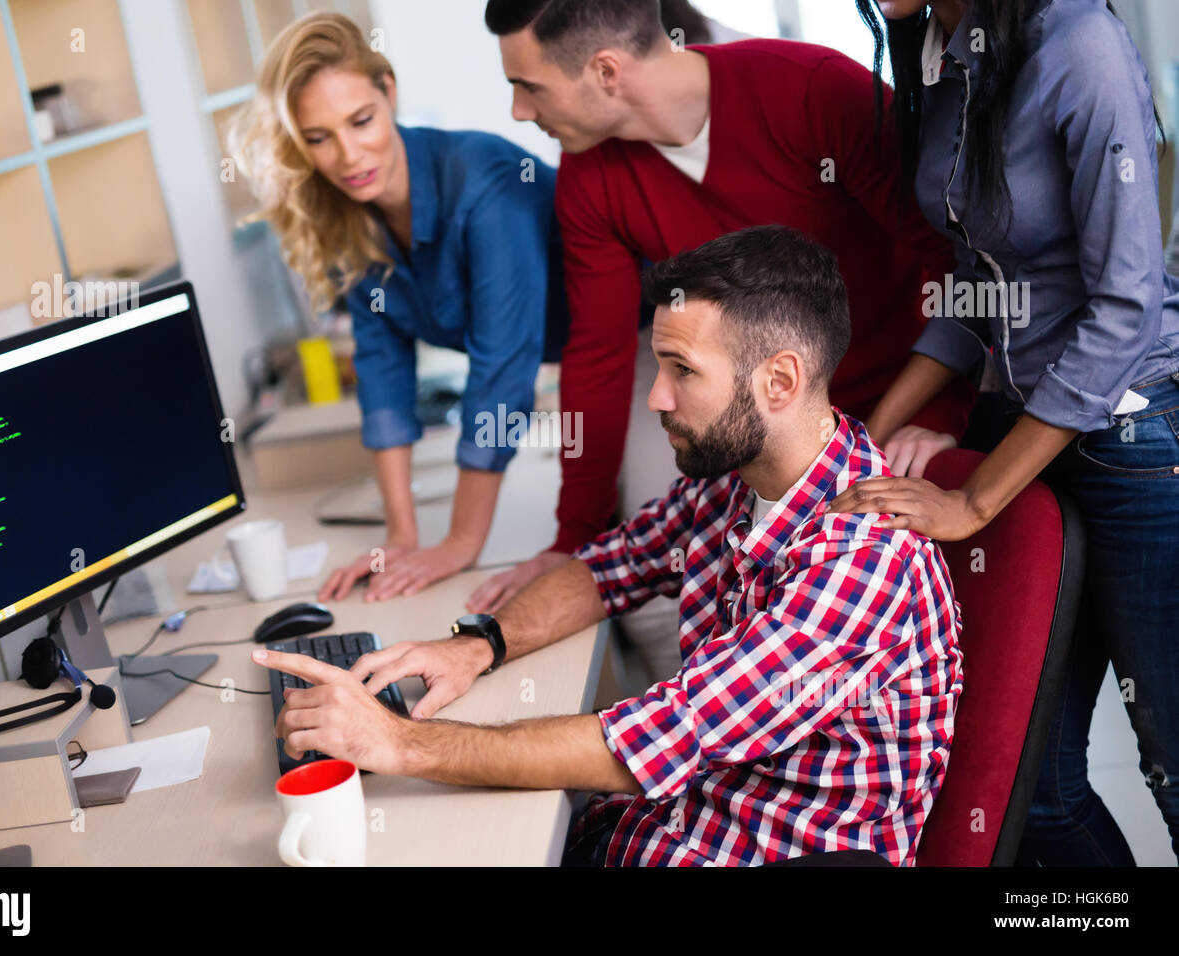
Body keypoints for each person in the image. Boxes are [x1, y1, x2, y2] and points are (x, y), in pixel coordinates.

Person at [253, 226, 964, 866]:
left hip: (757, 851)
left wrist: (398, 742)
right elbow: (612, 567)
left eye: (682, 371)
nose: (656, 397)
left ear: (779, 382)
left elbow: (650, 743)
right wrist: (479, 646)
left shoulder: (863, 561)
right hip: (673, 823)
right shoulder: (736, 477)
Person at [466, 0, 973, 688]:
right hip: (766, 426)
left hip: (906, 391)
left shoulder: (810, 88)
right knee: (715, 602)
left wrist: (939, 417)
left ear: (605, 70)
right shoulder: (589, 176)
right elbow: (598, 356)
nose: (521, 113)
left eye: (529, 87)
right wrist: (570, 540)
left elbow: (954, 262)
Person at [839, 0, 1179, 865]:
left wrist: (974, 499)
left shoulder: (1080, 43)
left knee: (1172, 764)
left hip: (1134, 437)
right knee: (1036, 790)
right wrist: (857, 442)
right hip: (1027, 430)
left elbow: (1125, 307)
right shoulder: (944, 51)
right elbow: (977, 288)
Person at [231, 12, 567, 604]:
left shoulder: (483, 179)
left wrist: (461, 541)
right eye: (318, 137)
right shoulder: (344, 220)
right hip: (566, 368)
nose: (348, 155)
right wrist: (402, 536)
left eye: (361, 121)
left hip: (644, 342)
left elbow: (501, 374)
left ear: (388, 91)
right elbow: (383, 374)